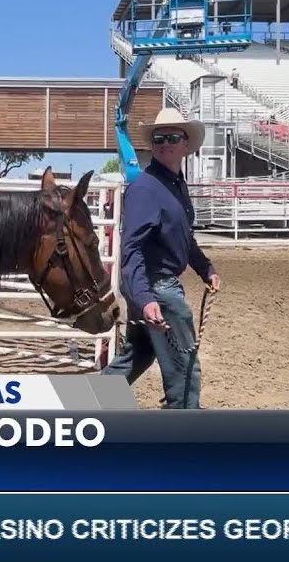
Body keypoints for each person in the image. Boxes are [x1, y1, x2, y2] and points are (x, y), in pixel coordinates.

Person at [101, 108, 221, 409]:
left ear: (185, 144)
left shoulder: (172, 185)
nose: (165, 142)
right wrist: (146, 297)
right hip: (158, 289)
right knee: (184, 364)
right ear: (152, 145)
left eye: (172, 137)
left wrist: (205, 268)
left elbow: (183, 237)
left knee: (137, 354)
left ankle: (85, 403)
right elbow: (132, 249)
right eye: (159, 138)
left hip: (153, 288)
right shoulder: (146, 188)